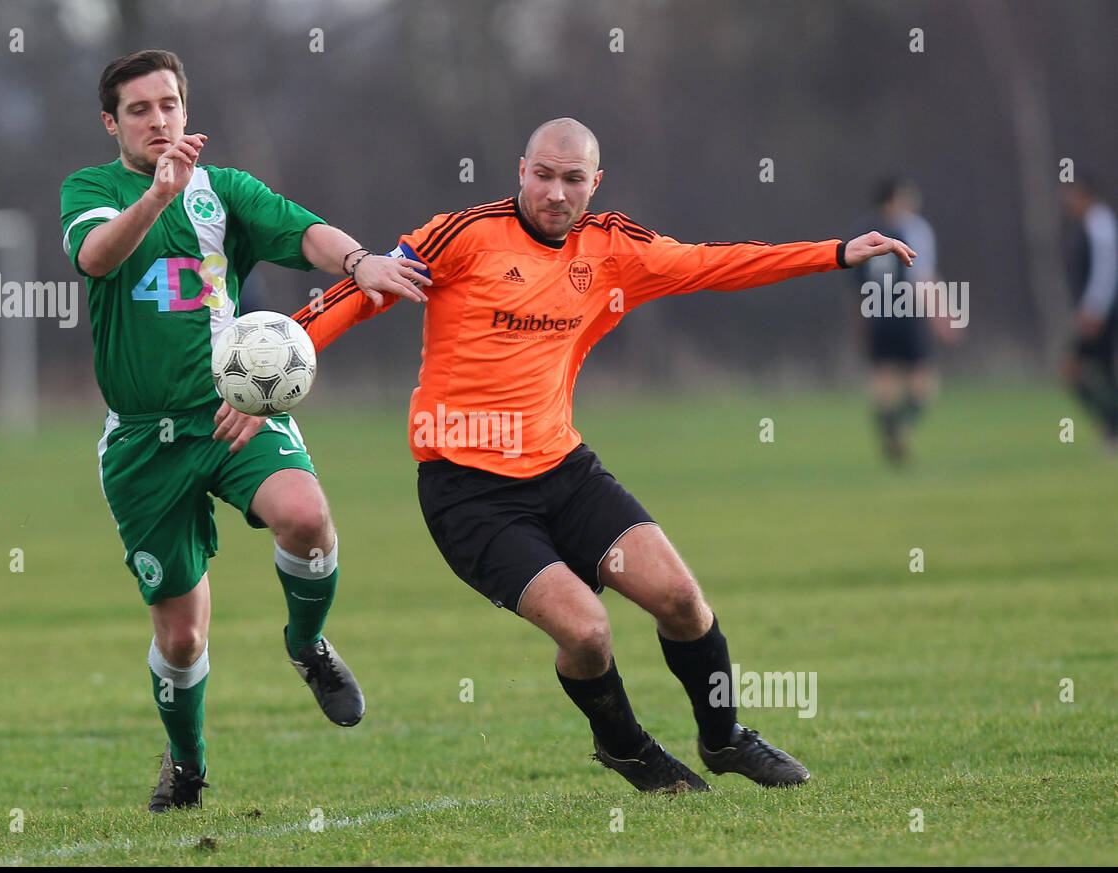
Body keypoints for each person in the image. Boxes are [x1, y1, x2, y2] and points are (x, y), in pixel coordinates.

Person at [292, 117, 916, 793]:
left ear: (595, 183)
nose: (555, 193)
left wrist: (832, 253)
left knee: (680, 599)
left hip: (563, 472)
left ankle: (725, 737)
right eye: (543, 174)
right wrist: (277, 359)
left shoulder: (614, 247)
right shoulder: (464, 235)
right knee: (588, 634)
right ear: (520, 170)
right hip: (468, 494)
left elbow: (714, 262)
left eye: (572, 179)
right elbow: (362, 293)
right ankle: (627, 750)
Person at [58, 50, 431, 812]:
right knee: (184, 638)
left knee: (305, 516)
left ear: (186, 112)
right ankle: (187, 765)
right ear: (112, 123)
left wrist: (358, 262)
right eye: (139, 109)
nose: (158, 119)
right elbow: (97, 258)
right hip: (142, 442)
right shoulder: (92, 190)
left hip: (234, 412)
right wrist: (156, 198)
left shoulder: (224, 191)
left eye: (169, 105)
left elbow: (308, 232)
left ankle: (306, 646)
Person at [852, 177, 949, 464]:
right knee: (925, 383)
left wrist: (860, 323)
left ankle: (889, 432)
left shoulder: (861, 235)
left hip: (876, 315)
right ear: (893, 201)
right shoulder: (912, 231)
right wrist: (942, 316)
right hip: (907, 314)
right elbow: (923, 278)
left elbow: (853, 287)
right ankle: (898, 427)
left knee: (882, 379)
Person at [1060, 173, 1118, 448]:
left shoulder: (1100, 224)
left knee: (1074, 370)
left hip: (1103, 312)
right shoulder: (1091, 224)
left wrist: (1093, 309)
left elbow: (1105, 271)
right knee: (1101, 371)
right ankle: (1111, 428)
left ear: (1085, 195)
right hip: (1099, 311)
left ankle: (1112, 426)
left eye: (1071, 194)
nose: (1067, 201)